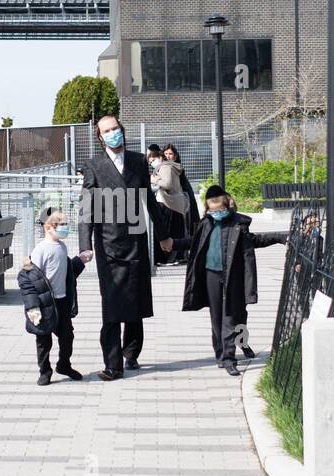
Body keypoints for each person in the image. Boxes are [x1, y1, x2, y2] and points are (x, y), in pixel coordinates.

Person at [78, 114, 167, 380]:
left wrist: (163, 235)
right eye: (107, 130)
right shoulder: (93, 166)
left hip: (136, 241)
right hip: (108, 245)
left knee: (136, 300)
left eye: (116, 128)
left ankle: (132, 353)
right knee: (113, 304)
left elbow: (150, 202)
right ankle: (113, 364)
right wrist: (85, 246)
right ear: (100, 137)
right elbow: (86, 210)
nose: (113, 133)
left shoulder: (139, 161)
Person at [172, 185, 288, 375]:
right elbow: (194, 242)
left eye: (221, 210)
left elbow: (255, 241)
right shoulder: (206, 223)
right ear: (208, 209)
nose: (217, 213)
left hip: (234, 277)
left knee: (236, 316)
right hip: (211, 275)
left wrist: (279, 237)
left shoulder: (238, 224)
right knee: (218, 317)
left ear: (227, 205)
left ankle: (236, 349)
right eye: (213, 210)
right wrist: (173, 244)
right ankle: (223, 355)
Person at [18, 207, 87, 385]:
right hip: (44, 303)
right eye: (61, 224)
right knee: (43, 339)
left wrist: (80, 260)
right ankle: (44, 371)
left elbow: (67, 273)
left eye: (66, 224)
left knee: (67, 337)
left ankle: (64, 365)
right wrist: (32, 307)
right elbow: (28, 279)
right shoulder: (40, 250)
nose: (65, 227)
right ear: (48, 227)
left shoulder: (62, 247)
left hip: (62, 301)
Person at [164, 143, 200, 239]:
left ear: (175, 156)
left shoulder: (177, 168)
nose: (167, 156)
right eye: (165, 153)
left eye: (170, 154)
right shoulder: (163, 168)